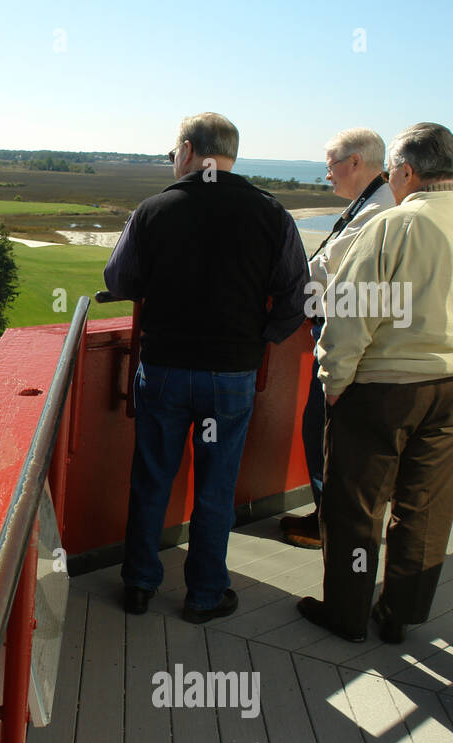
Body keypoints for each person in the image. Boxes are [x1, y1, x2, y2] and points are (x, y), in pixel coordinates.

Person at [298, 122, 453, 644]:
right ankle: (398, 615)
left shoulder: (393, 226)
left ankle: (348, 614)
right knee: (425, 510)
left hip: (381, 390)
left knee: (355, 506)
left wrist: (335, 381)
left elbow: (351, 316)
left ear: (404, 171)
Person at [104, 112, 309, 623]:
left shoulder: (154, 210)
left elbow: (121, 279)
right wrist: (259, 338)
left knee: (152, 478)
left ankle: (139, 585)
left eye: (174, 151)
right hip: (231, 376)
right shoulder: (270, 214)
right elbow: (296, 295)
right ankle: (204, 595)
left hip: (166, 368)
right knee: (216, 488)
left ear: (189, 150)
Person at [281, 129, 395, 549]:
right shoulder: (373, 205)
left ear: (355, 163)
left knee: (325, 432)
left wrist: (282, 288)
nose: (327, 176)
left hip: (344, 342)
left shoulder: (377, 213)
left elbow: (332, 275)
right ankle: (328, 518)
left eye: (330, 166)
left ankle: (330, 526)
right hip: (350, 339)